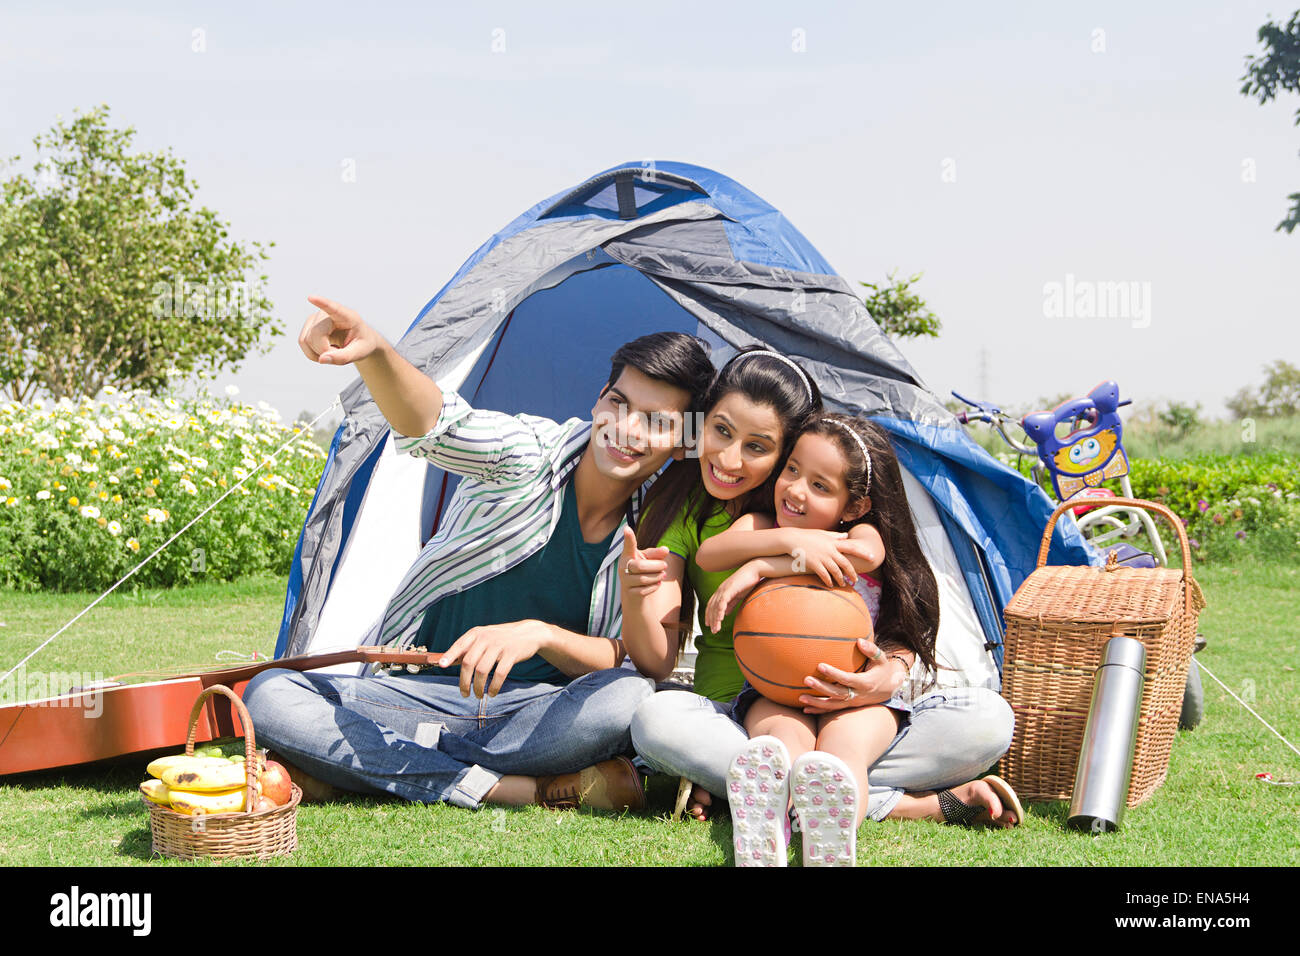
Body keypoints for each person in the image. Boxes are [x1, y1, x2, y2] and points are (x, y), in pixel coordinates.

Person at [242, 295, 714, 812]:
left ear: (683, 442)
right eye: (619, 405)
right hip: (414, 694)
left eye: (657, 421)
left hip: (534, 718)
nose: (628, 431)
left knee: (627, 700)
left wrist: (542, 635)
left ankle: (369, 768)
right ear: (600, 398)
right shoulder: (525, 452)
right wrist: (374, 351)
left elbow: (631, 658)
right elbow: (434, 422)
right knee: (270, 695)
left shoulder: (659, 528)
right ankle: (508, 788)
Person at [630, 410, 1021, 840]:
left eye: (819, 486)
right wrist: (783, 545)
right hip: (773, 694)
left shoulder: (862, 535)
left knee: (862, 747)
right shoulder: (762, 523)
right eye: (792, 470)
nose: (795, 490)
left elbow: (867, 558)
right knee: (764, 743)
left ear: (854, 506)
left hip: (857, 699)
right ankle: (846, 801)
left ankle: (818, 828)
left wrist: (764, 565)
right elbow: (711, 554)